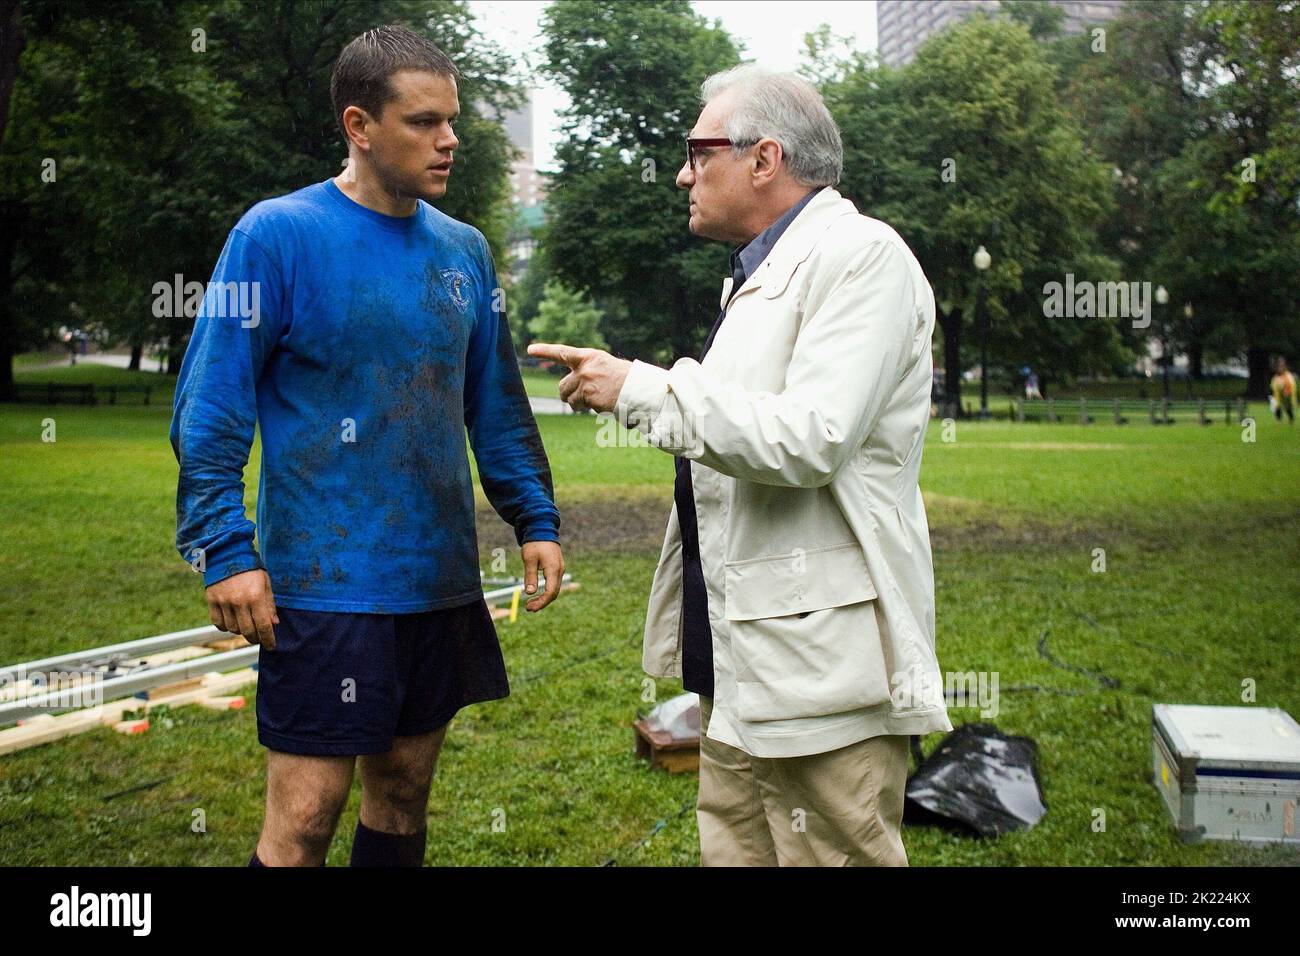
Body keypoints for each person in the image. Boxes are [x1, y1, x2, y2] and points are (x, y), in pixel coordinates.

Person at [529, 65, 952, 866]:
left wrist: (641, 387)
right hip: (742, 654)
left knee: (834, 851)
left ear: (764, 159)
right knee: (737, 848)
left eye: (699, 151)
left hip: (823, 667)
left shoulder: (863, 258)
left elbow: (812, 437)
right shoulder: (758, 277)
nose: (685, 173)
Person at [169, 24, 564, 867]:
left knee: (402, 793)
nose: (449, 139)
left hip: (435, 579)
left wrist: (535, 517)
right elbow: (211, 406)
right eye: (423, 122)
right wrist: (225, 549)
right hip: (322, 584)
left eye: (452, 120)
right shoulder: (275, 236)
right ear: (359, 124)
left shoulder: (464, 252)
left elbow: (492, 403)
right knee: (307, 816)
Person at [1270, 358, 1296, 424]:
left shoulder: (1288, 375)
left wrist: (1285, 388)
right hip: (1278, 394)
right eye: (1279, 367)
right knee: (1277, 407)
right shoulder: (1276, 376)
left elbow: (1291, 384)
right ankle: (1278, 420)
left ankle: (1291, 419)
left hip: (1287, 394)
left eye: (1282, 366)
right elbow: (1273, 385)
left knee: (1287, 407)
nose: (1280, 368)